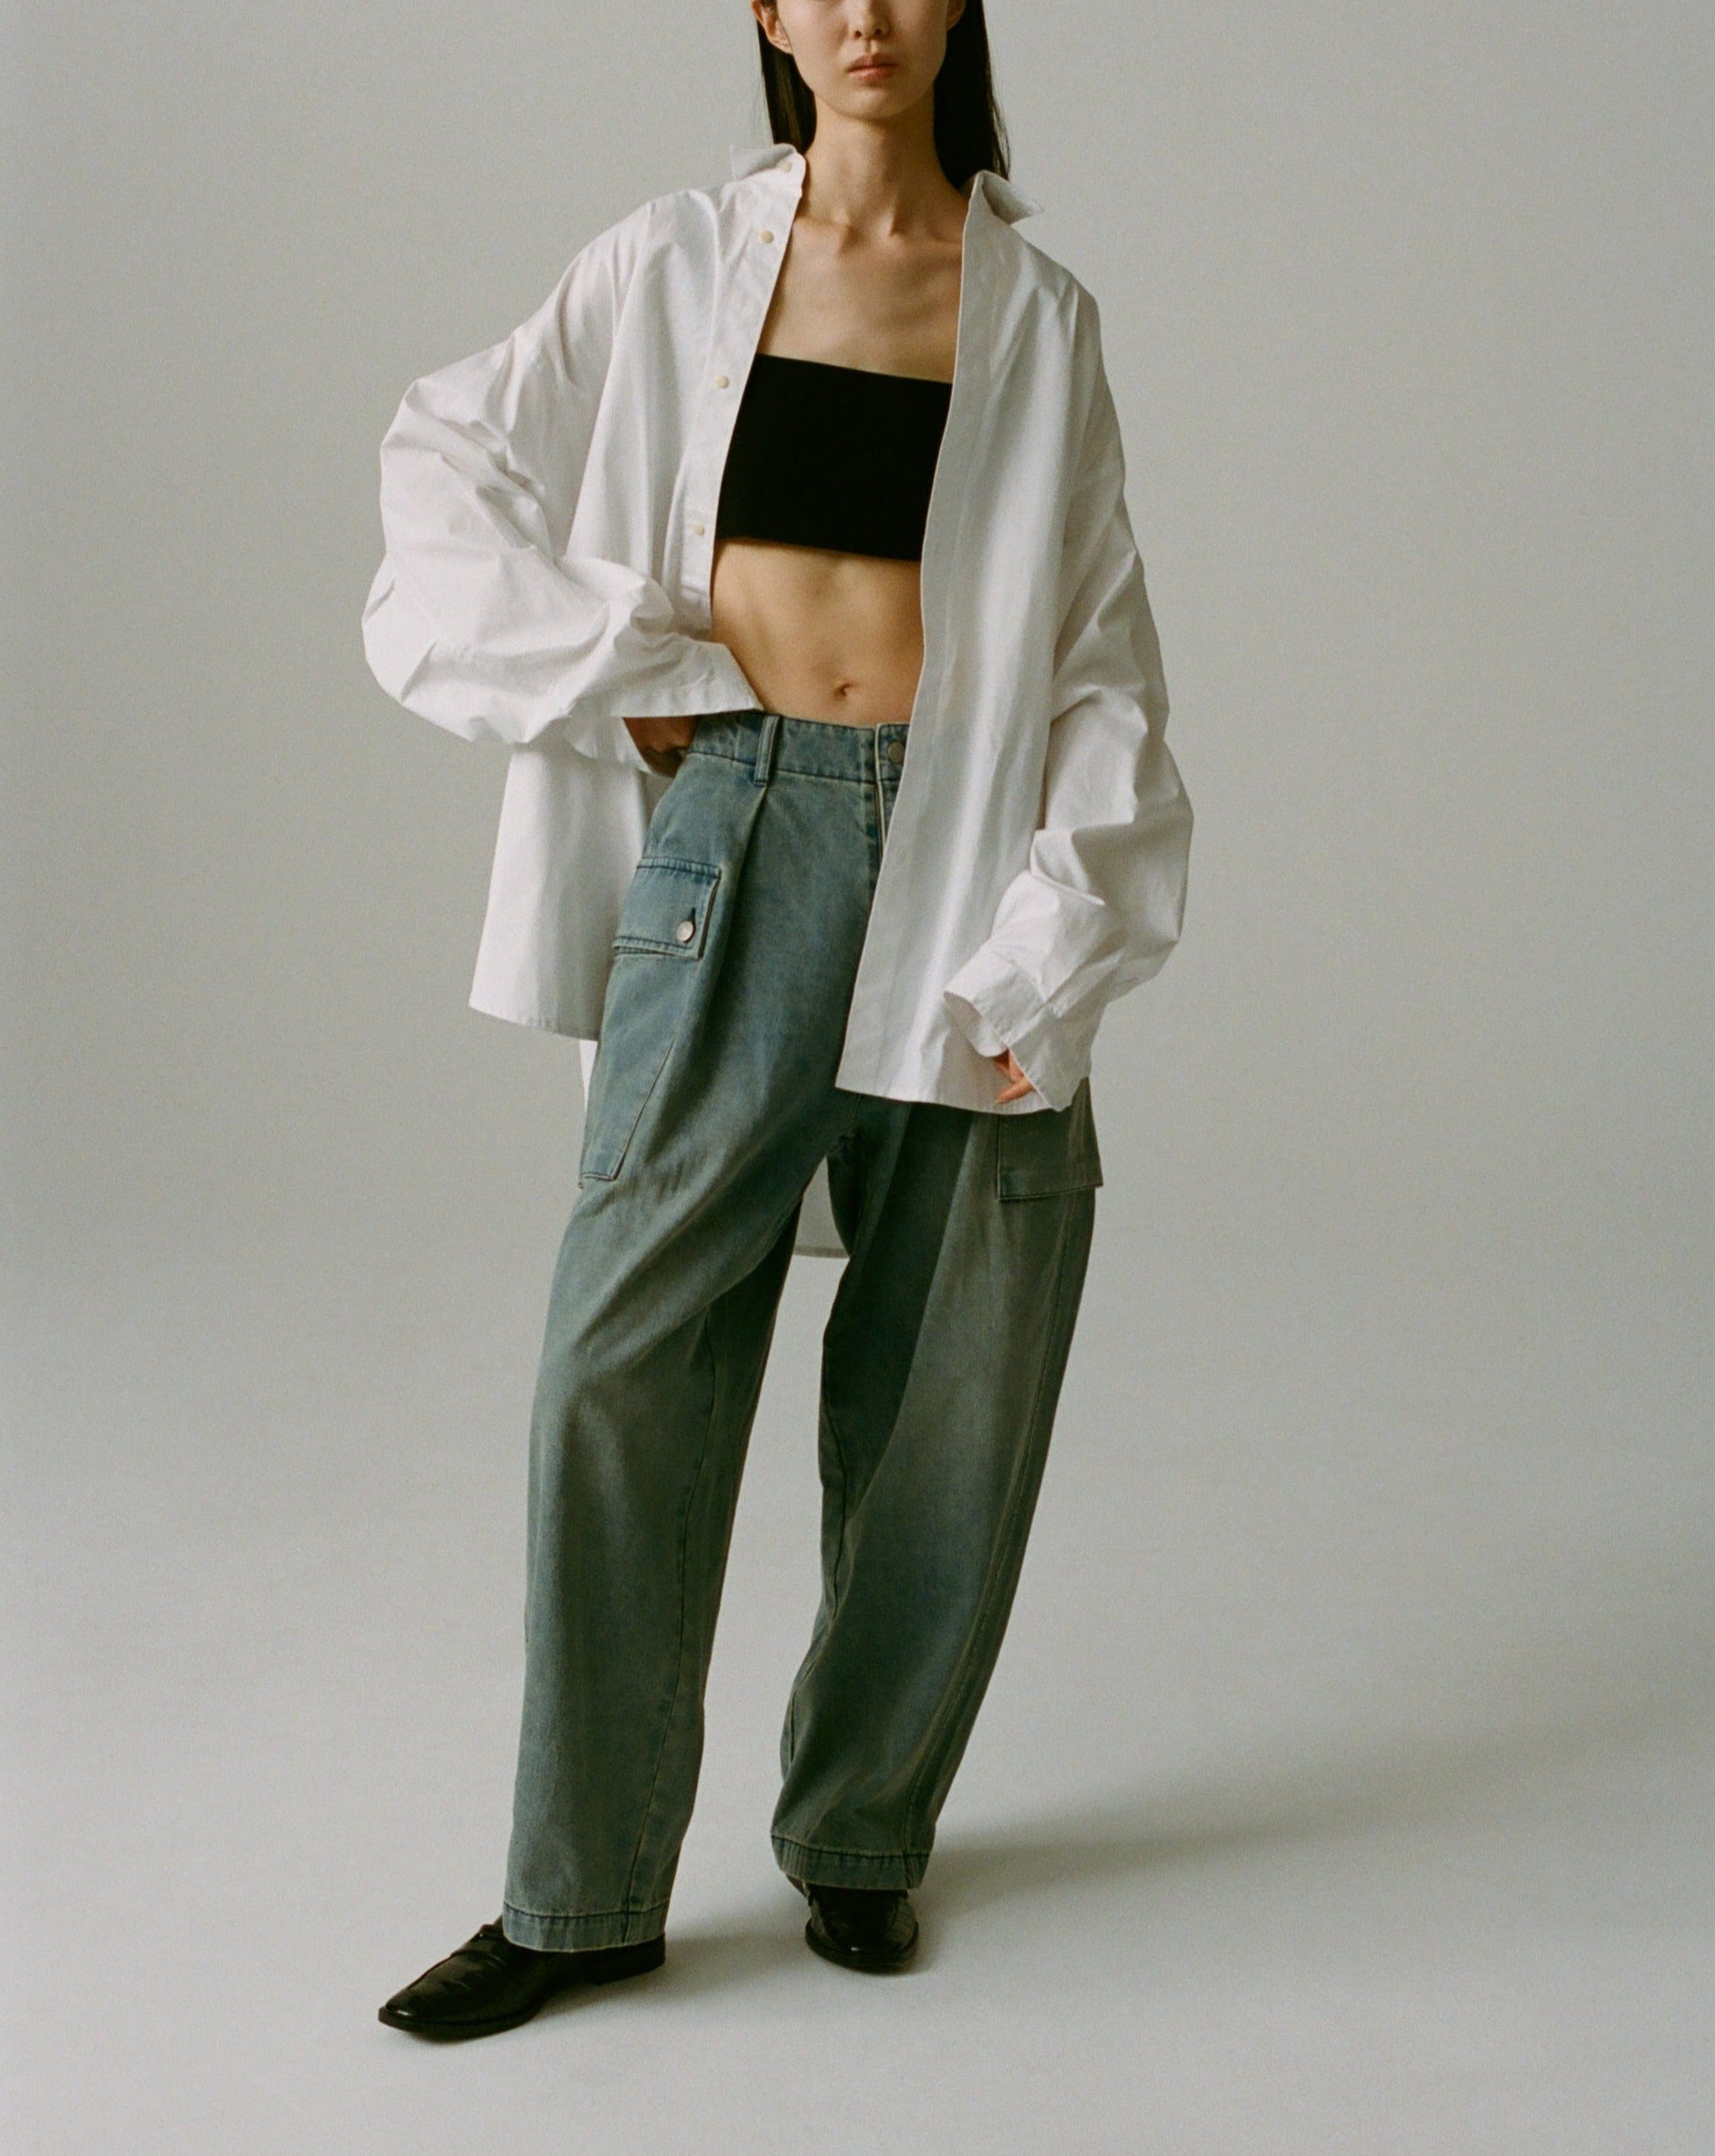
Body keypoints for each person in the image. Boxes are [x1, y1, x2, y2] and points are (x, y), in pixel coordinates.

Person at [361, 0, 1192, 2042]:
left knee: (955, 1374)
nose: (861, 14)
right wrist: (627, 666)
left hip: (974, 840)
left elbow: (1096, 653)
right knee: (622, 1355)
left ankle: (862, 1833)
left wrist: (1056, 943)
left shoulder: (1037, 314)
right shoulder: (667, 262)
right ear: (762, 9)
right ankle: (581, 1891)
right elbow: (443, 454)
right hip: (742, 827)